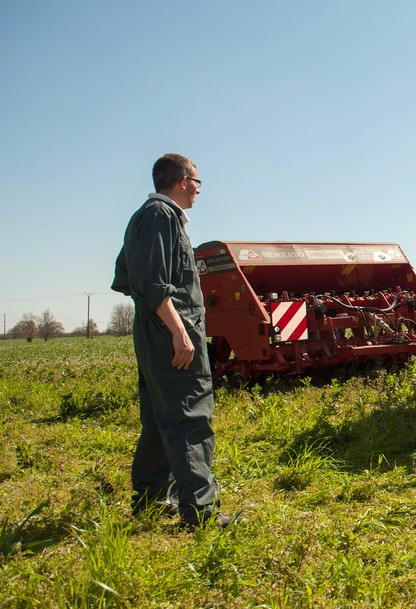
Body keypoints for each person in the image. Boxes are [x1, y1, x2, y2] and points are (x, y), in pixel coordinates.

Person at [111, 153, 234, 530]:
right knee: (190, 415)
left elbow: (126, 277)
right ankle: (200, 511)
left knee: (158, 417)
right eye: (197, 181)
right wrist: (179, 331)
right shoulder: (159, 216)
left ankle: (149, 498)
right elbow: (151, 283)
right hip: (171, 332)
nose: (199, 188)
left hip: (156, 331)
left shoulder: (148, 219)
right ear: (182, 180)